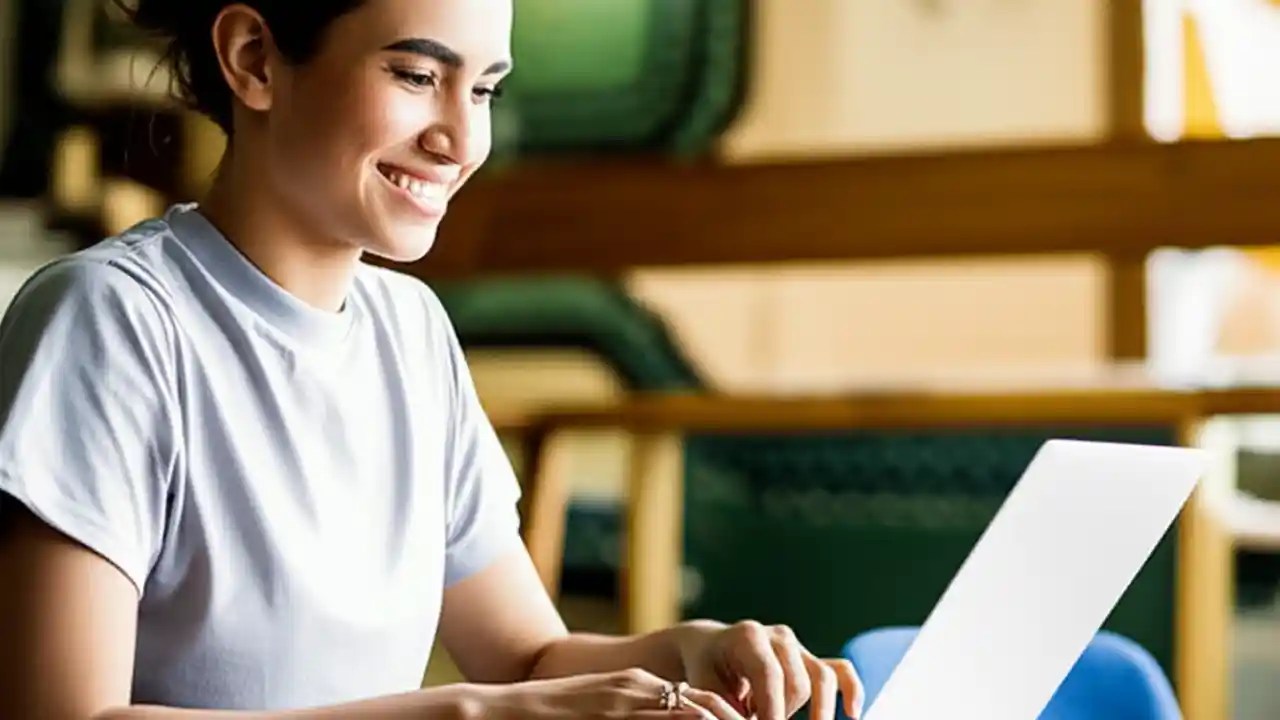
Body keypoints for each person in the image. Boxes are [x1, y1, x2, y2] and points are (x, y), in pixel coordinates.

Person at [0, 1, 864, 718]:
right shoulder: (110, 321)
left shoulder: (410, 332)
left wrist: (689, 651)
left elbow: (528, 657)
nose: (460, 137)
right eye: (417, 76)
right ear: (254, 58)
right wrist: (468, 713)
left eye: (483, 89)